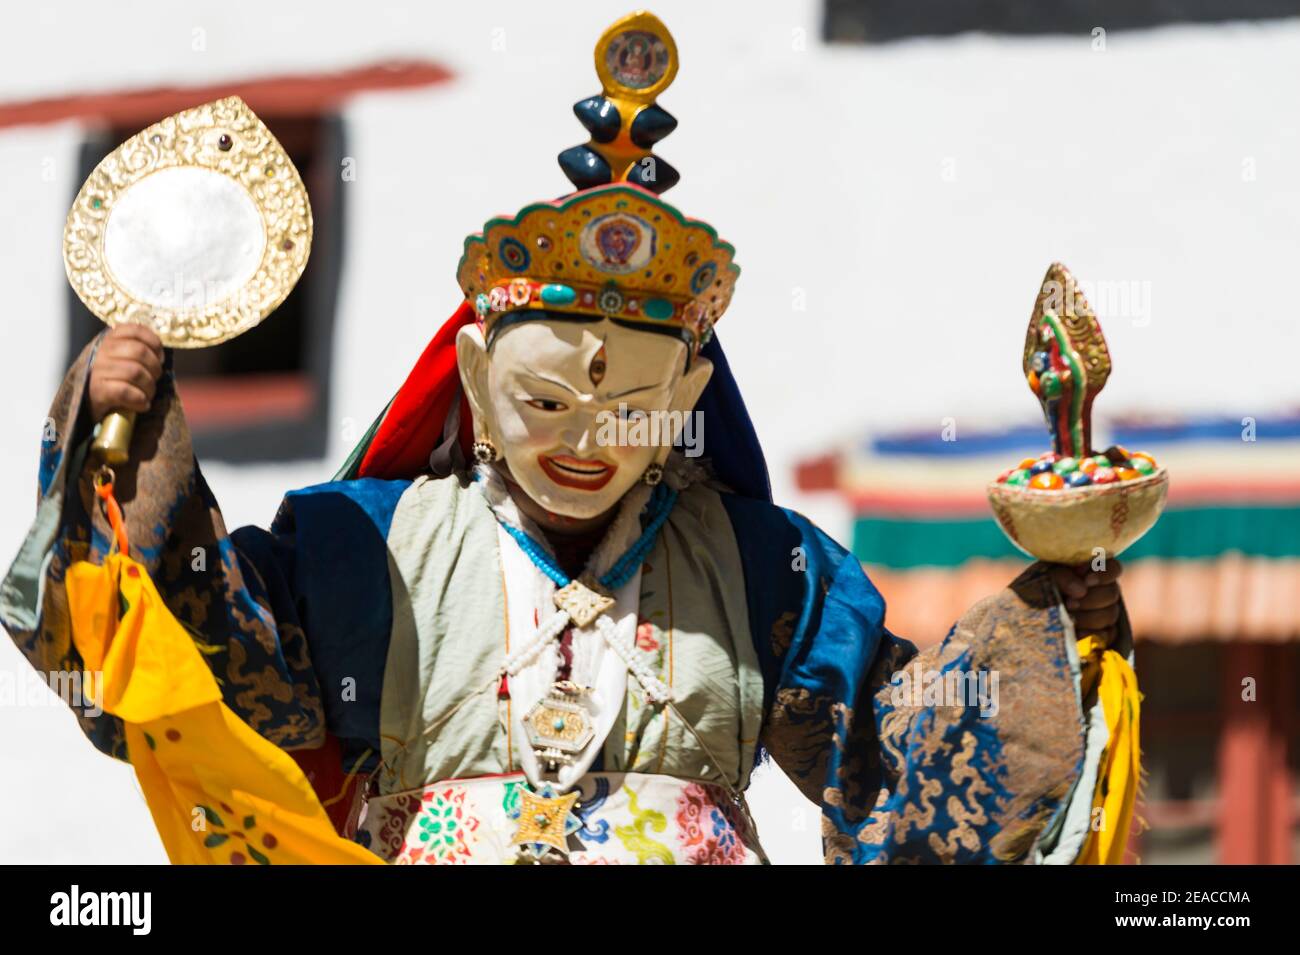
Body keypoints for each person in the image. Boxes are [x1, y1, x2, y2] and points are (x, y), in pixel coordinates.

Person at [3, 12, 1126, 865]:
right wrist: (124, 451)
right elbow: (192, 670)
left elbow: (897, 768)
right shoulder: (361, 552)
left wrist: (1053, 645)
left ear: (687, 393)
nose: (587, 437)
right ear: (477, 382)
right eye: (545, 402)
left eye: (629, 404)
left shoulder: (763, 569)